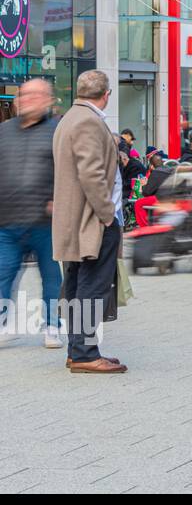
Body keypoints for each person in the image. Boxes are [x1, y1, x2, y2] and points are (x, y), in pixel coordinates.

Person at [52, 70, 126, 374]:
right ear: (106, 94)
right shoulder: (87, 121)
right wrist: (108, 214)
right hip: (92, 221)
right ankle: (85, 353)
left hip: (77, 219)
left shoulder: (70, 117)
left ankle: (76, 349)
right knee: (92, 286)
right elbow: (91, 174)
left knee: (77, 284)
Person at [0, 79, 62, 349]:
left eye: (35, 95)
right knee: (2, 274)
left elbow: (68, 173)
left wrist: (59, 200)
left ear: (49, 100)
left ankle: (52, 327)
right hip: (7, 220)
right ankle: (2, 325)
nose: (27, 99)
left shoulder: (57, 131)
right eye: (24, 95)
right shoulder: (3, 131)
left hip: (44, 222)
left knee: (51, 277)